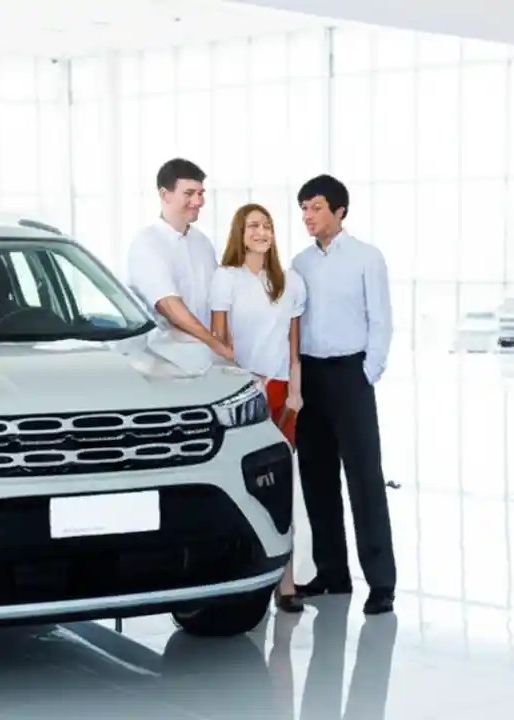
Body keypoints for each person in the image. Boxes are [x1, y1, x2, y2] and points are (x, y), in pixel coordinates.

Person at [290, 174, 396, 616]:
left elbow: (382, 320)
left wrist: (367, 372)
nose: (308, 217)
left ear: (339, 211)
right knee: (316, 478)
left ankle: (381, 584)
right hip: (311, 376)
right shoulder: (299, 263)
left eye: (315, 208)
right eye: (303, 210)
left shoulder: (367, 258)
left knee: (365, 479)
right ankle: (332, 573)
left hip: (352, 374)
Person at [209, 203, 307, 614]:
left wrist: (296, 393)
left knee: (282, 487)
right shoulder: (225, 278)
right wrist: (246, 379)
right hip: (244, 391)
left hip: (284, 391)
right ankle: (240, 575)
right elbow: (218, 340)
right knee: (243, 484)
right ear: (240, 233)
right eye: (253, 226)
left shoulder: (290, 282)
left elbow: (293, 345)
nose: (261, 232)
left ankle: (285, 580)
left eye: (267, 226)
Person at [126, 158, 233, 361]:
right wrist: (217, 346)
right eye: (189, 193)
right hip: (166, 361)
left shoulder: (202, 243)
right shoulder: (147, 243)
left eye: (201, 193)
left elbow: (218, 299)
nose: (198, 201)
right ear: (164, 194)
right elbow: (169, 306)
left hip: (206, 357)